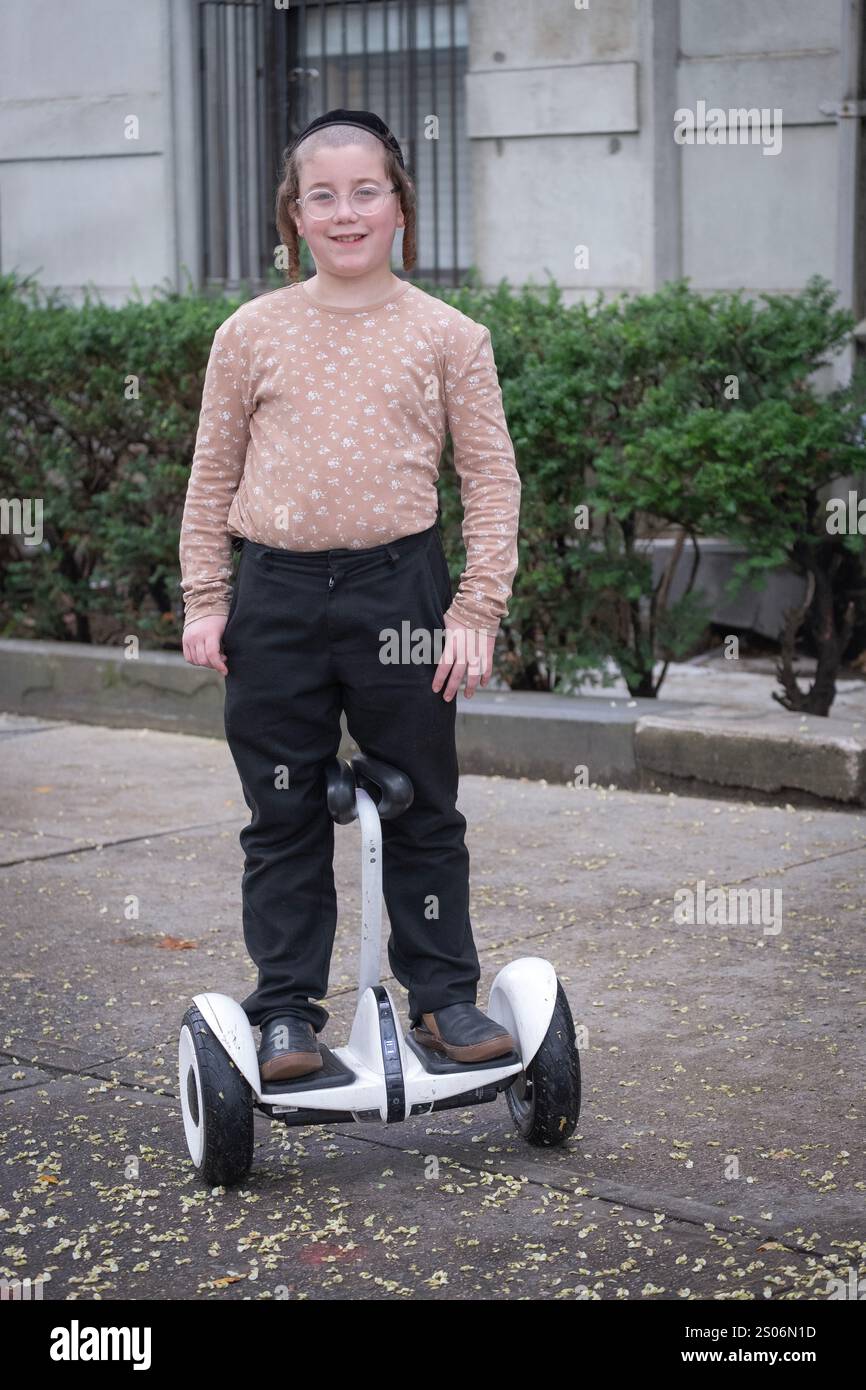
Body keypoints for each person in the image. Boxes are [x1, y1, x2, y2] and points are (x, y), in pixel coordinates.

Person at [179, 108, 522, 1082]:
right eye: (320, 195)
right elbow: (212, 476)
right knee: (282, 812)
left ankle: (445, 998)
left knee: (422, 806)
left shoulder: (449, 335)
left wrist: (474, 610)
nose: (344, 211)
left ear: (399, 204)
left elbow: (489, 479)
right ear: (293, 215)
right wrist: (208, 598)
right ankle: (285, 1011)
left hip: (399, 596)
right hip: (275, 599)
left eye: (364, 189)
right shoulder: (250, 334)